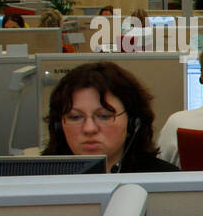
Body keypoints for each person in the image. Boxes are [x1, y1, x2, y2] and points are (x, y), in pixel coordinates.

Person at [42, 61, 178, 173]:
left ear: (132, 123)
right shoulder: (35, 178)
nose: (89, 129)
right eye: (75, 117)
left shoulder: (165, 180)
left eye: (104, 116)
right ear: (59, 126)